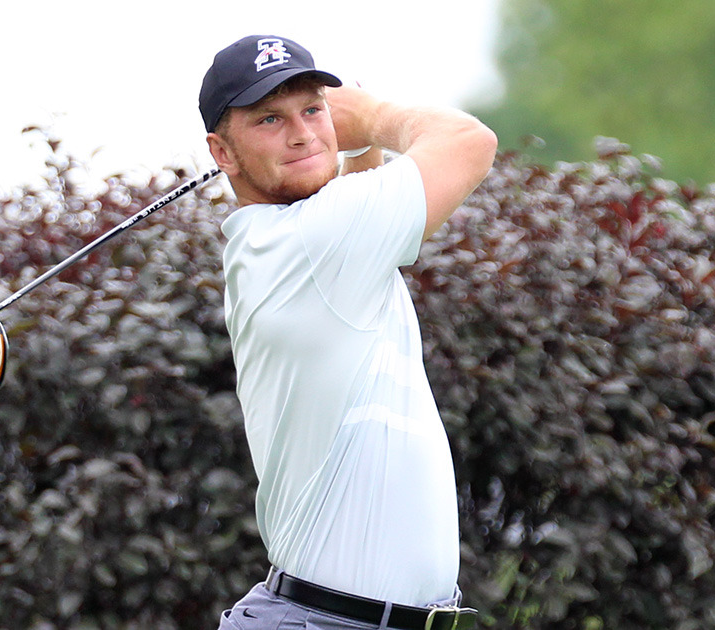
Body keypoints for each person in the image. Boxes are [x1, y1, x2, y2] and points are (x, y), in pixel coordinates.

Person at [199, 35, 497, 630]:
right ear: (222, 153)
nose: (302, 134)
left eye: (313, 109)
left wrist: (358, 149)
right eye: (269, 119)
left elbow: (350, 201)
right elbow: (470, 142)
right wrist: (373, 117)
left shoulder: (289, 242)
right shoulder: (312, 240)